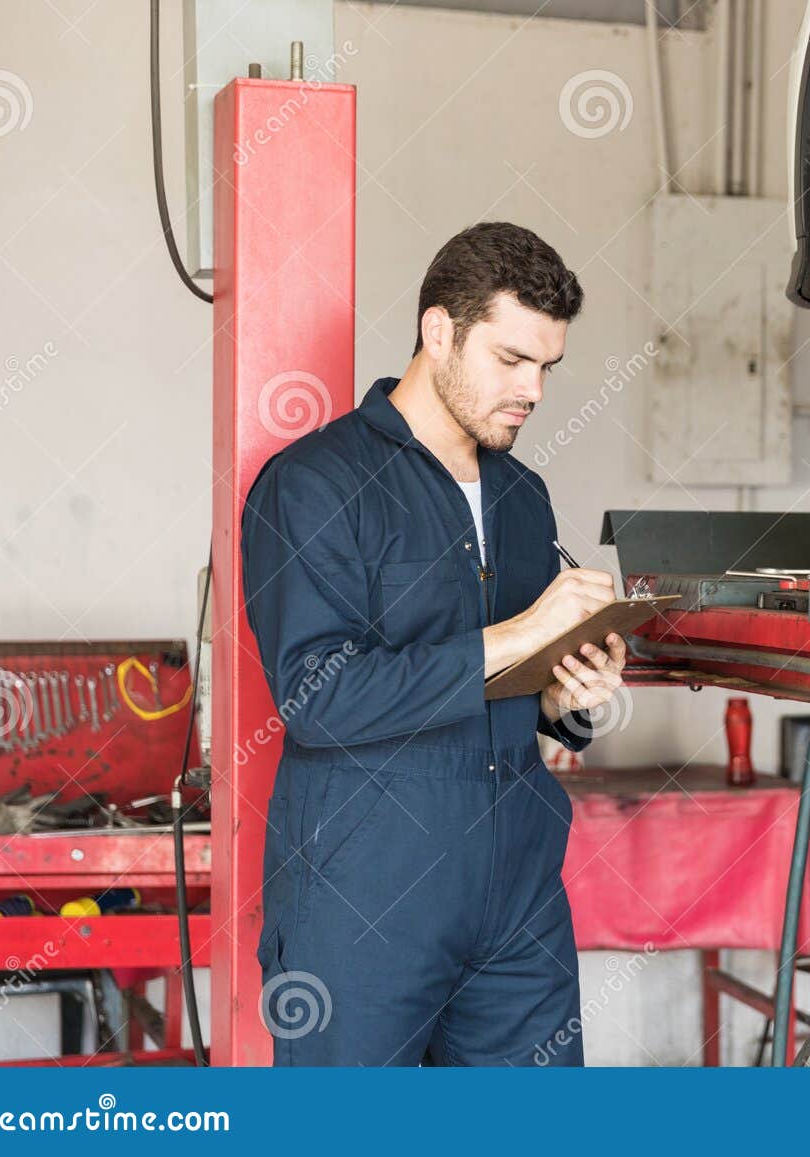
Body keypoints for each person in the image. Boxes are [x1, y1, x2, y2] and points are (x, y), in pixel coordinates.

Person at [240, 221, 625, 1065]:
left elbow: (521, 686)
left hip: (517, 902)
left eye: (548, 367)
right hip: (363, 908)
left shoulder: (524, 496)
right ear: (439, 331)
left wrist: (567, 696)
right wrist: (519, 633)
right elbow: (317, 698)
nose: (534, 390)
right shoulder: (313, 485)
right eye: (512, 360)